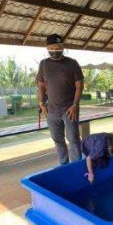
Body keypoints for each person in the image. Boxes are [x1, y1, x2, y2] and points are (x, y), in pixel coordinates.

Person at [36, 34, 83, 165]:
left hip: (69, 109)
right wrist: (41, 102)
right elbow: (41, 85)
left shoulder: (72, 63)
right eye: (52, 47)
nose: (55, 50)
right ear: (47, 48)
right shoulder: (44, 64)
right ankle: (63, 164)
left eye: (58, 47)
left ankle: (76, 166)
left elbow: (79, 86)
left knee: (73, 139)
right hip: (52, 110)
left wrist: (75, 105)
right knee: (57, 140)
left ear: (63, 47)